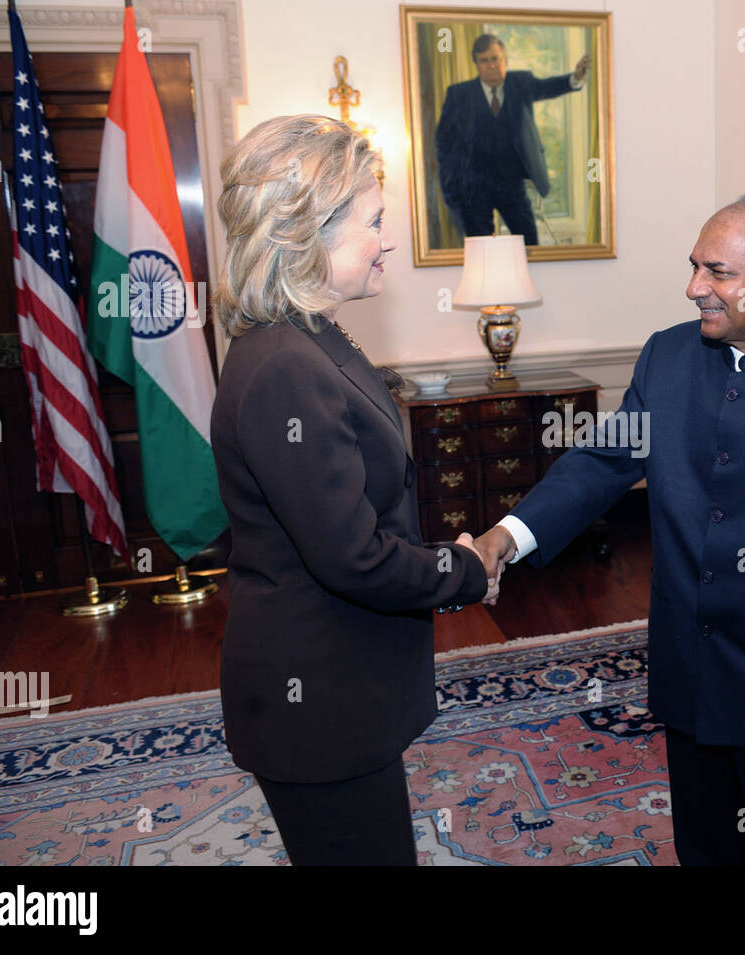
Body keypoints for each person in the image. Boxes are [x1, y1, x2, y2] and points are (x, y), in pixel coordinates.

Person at [473, 192, 745, 865]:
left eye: (717, 272)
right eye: (694, 267)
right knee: (704, 845)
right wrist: (507, 534)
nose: (694, 288)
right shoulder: (666, 358)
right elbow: (601, 460)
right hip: (688, 663)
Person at [210, 115, 496, 865]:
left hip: (336, 688)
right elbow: (354, 557)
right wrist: (465, 570)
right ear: (307, 232)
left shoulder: (305, 340)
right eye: (373, 221)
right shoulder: (284, 368)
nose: (389, 239)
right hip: (317, 702)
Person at [435, 33, 589, 245]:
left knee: (529, 244)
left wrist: (576, 78)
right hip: (474, 188)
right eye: (484, 60)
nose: (491, 65)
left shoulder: (521, 83)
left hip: (512, 185)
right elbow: (445, 145)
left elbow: (546, 87)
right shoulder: (459, 95)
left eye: (495, 58)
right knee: (482, 251)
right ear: (477, 64)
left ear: (505, 59)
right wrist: (452, 189)